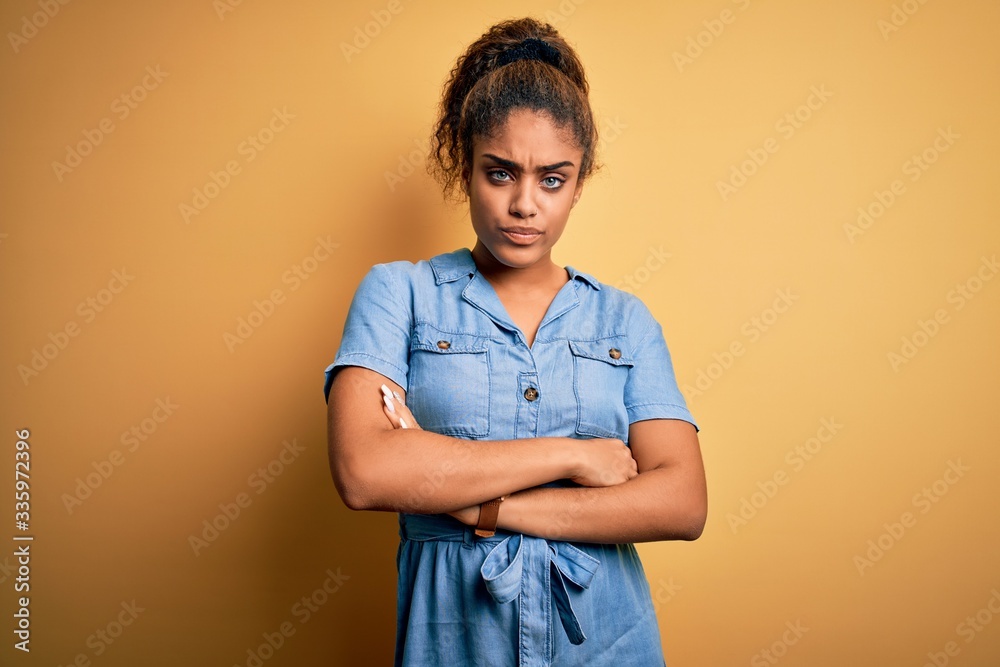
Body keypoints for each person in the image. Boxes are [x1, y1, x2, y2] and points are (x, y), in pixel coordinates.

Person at [323, 16, 707, 666]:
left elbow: (683, 501)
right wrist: (575, 457)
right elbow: (364, 470)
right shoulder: (399, 296)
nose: (525, 204)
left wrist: (483, 507)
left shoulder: (624, 320)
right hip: (454, 643)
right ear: (462, 164)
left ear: (580, 180)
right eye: (500, 174)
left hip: (608, 644)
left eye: (552, 179)